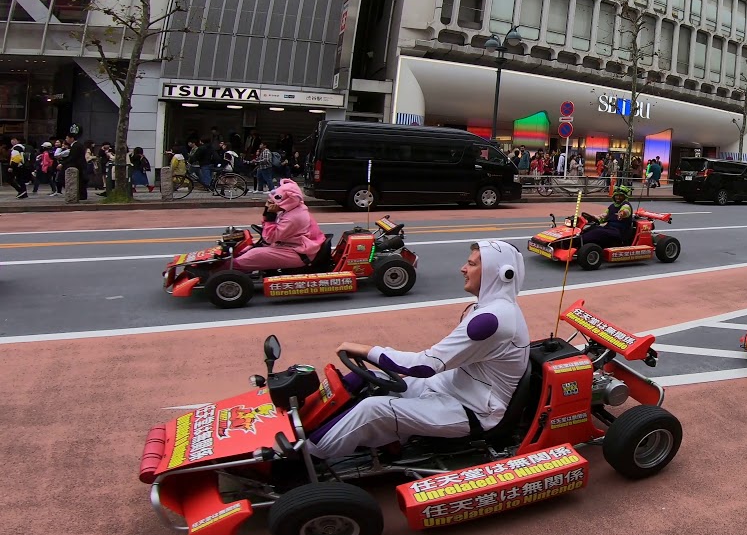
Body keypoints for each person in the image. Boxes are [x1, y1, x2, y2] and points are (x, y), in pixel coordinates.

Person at [308, 240, 529, 458]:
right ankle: (307, 422)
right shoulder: (487, 308)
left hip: (471, 409)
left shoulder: (491, 320)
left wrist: (366, 350)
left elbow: (426, 365)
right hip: (444, 387)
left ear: (497, 272)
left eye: (471, 264)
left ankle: (307, 457)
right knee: (367, 379)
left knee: (372, 409)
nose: (463, 269)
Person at [233, 179, 326, 272]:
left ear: (287, 201)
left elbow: (269, 237)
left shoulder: (293, 218)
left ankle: (228, 268)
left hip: (300, 252)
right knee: (249, 246)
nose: (271, 202)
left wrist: (270, 216)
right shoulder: (292, 208)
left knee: (255, 254)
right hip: (290, 245)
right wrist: (267, 211)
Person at [579, 184, 635, 248]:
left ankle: (584, 244)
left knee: (598, 232)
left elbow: (625, 211)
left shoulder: (626, 205)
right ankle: (579, 242)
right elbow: (604, 216)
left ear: (624, 197)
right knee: (591, 228)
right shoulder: (612, 206)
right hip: (609, 228)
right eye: (617, 195)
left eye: (620, 196)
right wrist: (594, 217)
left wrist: (621, 214)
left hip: (619, 232)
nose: (618, 197)